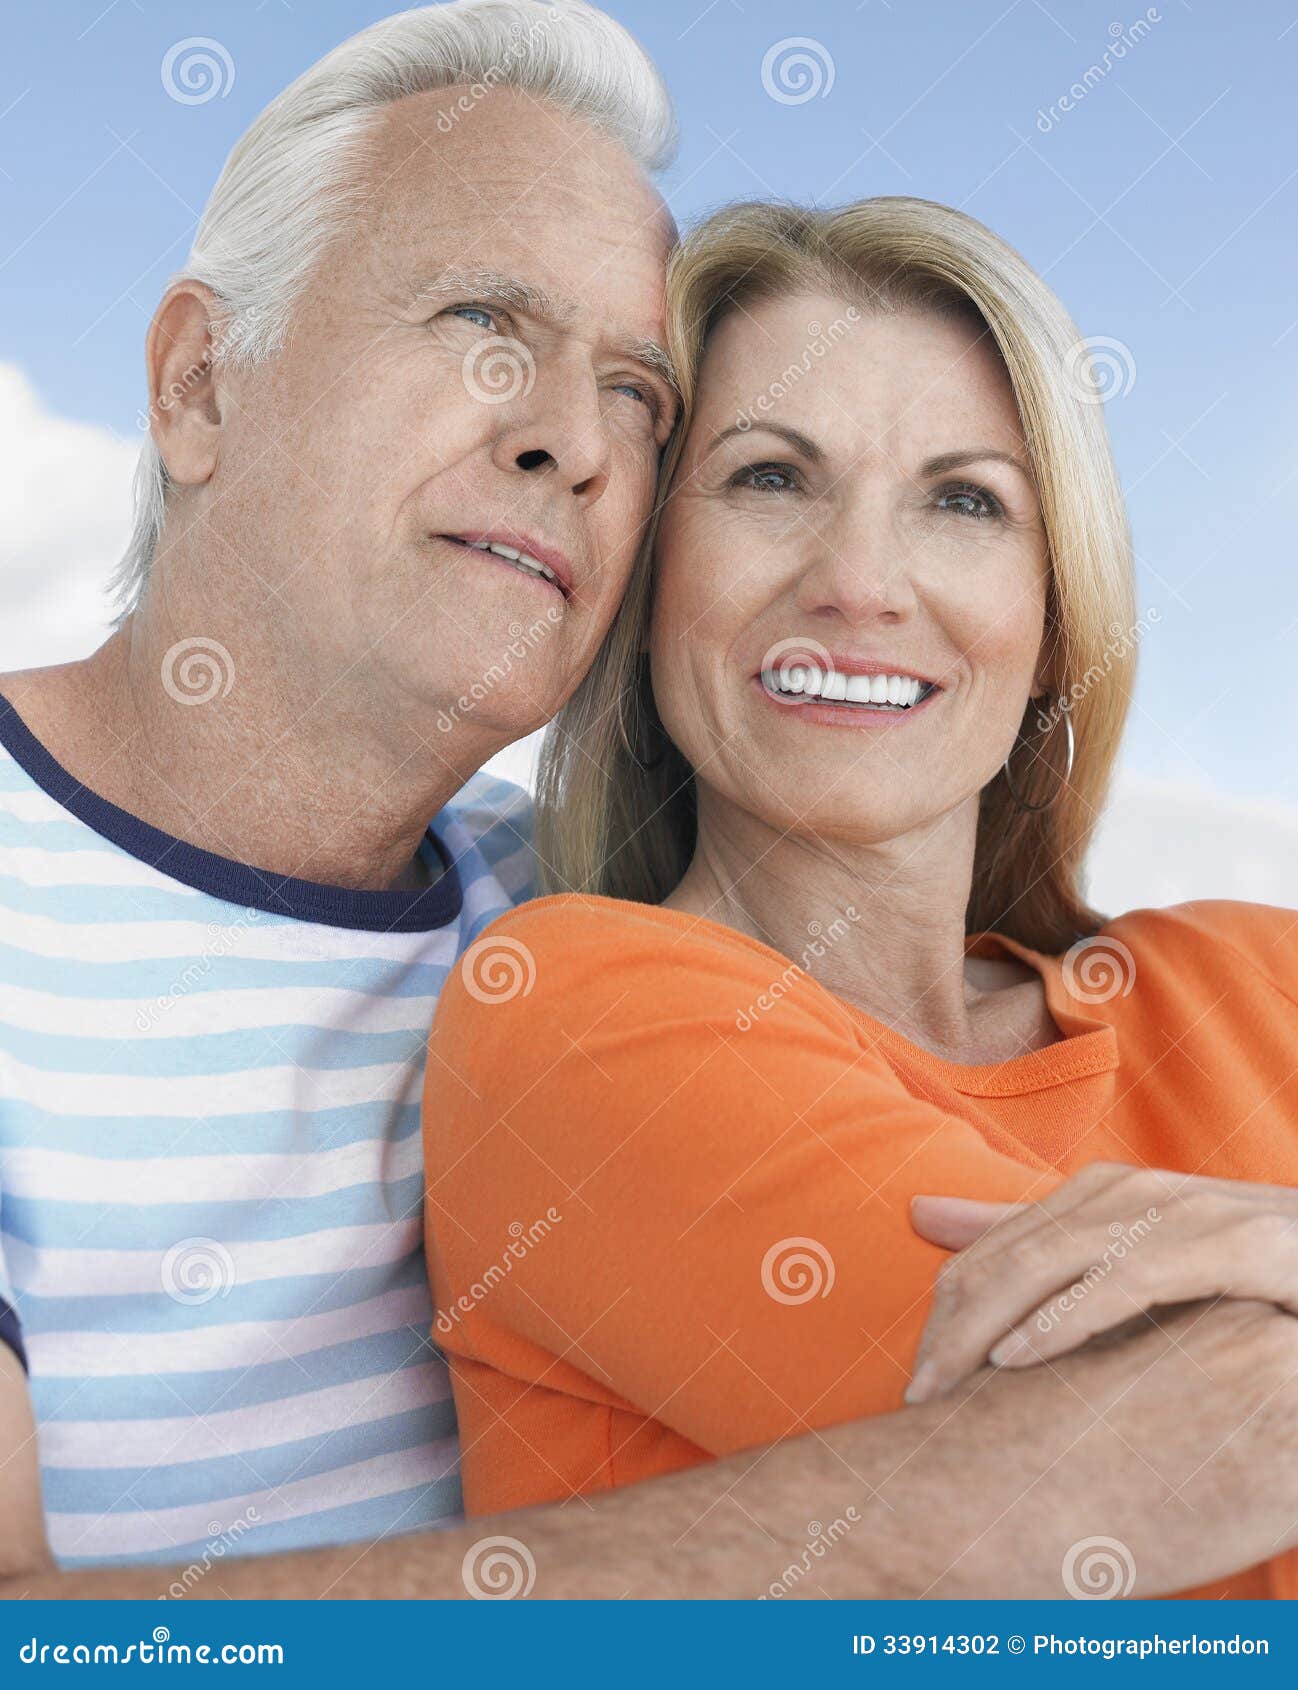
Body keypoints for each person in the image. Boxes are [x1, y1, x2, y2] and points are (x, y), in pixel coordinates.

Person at [3, 0, 1294, 1602]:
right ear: (202, 382)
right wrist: (991, 1499)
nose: (570, 442)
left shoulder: (529, 880)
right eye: (481, 322)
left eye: (636, 392)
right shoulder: (570, 986)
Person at [422, 194, 1298, 1600]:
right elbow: (1189, 1489)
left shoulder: (1259, 978)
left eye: (964, 500)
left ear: (1051, 621)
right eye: (771, 478)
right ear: (651, 579)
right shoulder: (572, 1018)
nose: (860, 583)